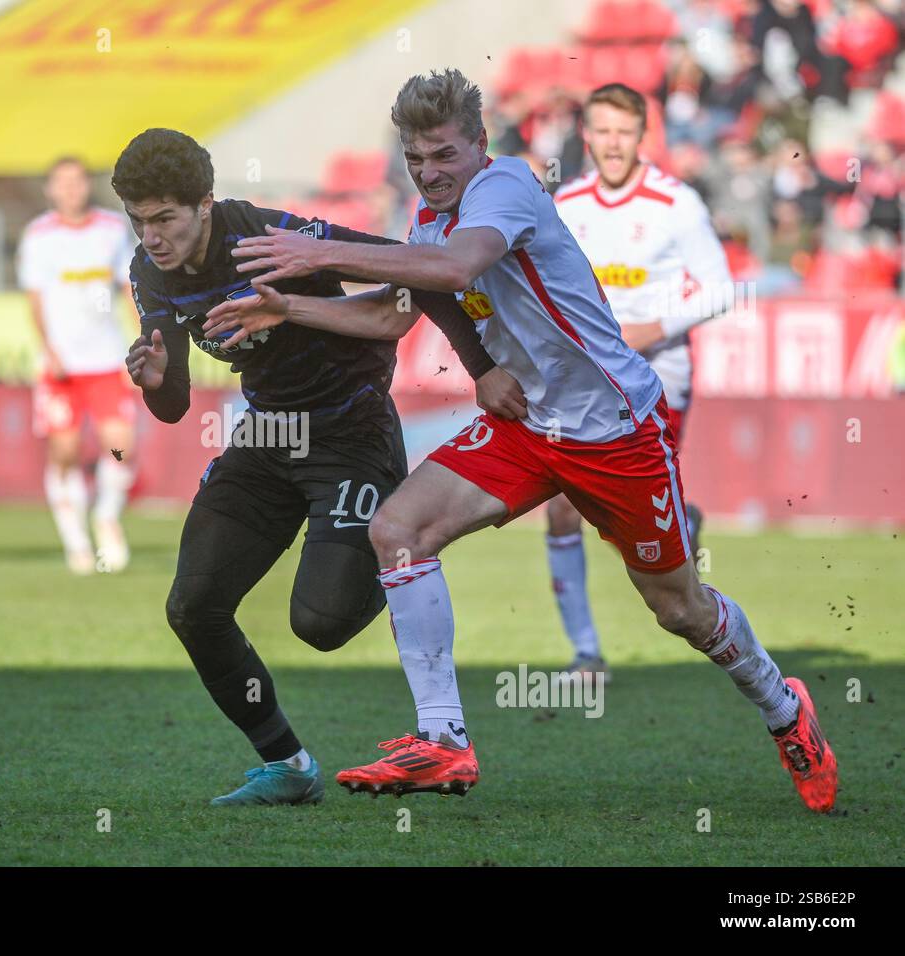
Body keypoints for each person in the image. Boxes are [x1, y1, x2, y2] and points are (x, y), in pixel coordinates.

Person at [204, 69, 837, 813]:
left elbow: (452, 269)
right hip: (530, 426)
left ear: (480, 143)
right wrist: (291, 310)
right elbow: (393, 315)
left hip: (615, 432)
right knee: (398, 531)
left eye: (443, 155)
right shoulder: (430, 217)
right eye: (415, 160)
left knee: (679, 611)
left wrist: (321, 257)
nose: (430, 173)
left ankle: (785, 709)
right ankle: (442, 741)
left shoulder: (504, 188)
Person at [118, 127, 511, 806]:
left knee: (321, 627)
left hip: (350, 433)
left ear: (205, 204)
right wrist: (154, 380)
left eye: (165, 219)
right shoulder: (148, 271)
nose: (152, 237)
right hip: (267, 434)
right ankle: (289, 766)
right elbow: (175, 405)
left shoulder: (270, 237)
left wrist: (481, 368)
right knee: (194, 606)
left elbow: (417, 266)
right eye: (139, 220)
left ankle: (393, 554)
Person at [545, 83, 735, 680]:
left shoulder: (676, 203)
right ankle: (585, 654)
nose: (613, 143)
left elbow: (723, 287)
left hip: (658, 373)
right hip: (582, 375)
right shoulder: (565, 202)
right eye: (602, 130)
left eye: (624, 132)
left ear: (641, 136)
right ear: (587, 134)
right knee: (559, 506)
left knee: (637, 528)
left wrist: (655, 326)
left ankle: (680, 516)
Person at [18, 157, 137, 574]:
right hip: (62, 364)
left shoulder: (110, 229)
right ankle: (76, 542)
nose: (70, 190)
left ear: (87, 186)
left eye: (77, 181)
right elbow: (34, 299)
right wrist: (48, 348)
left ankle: (106, 516)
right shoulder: (39, 236)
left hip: (105, 358)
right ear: (51, 190)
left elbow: (128, 288)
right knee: (65, 452)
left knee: (121, 446)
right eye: (61, 183)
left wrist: (138, 342)